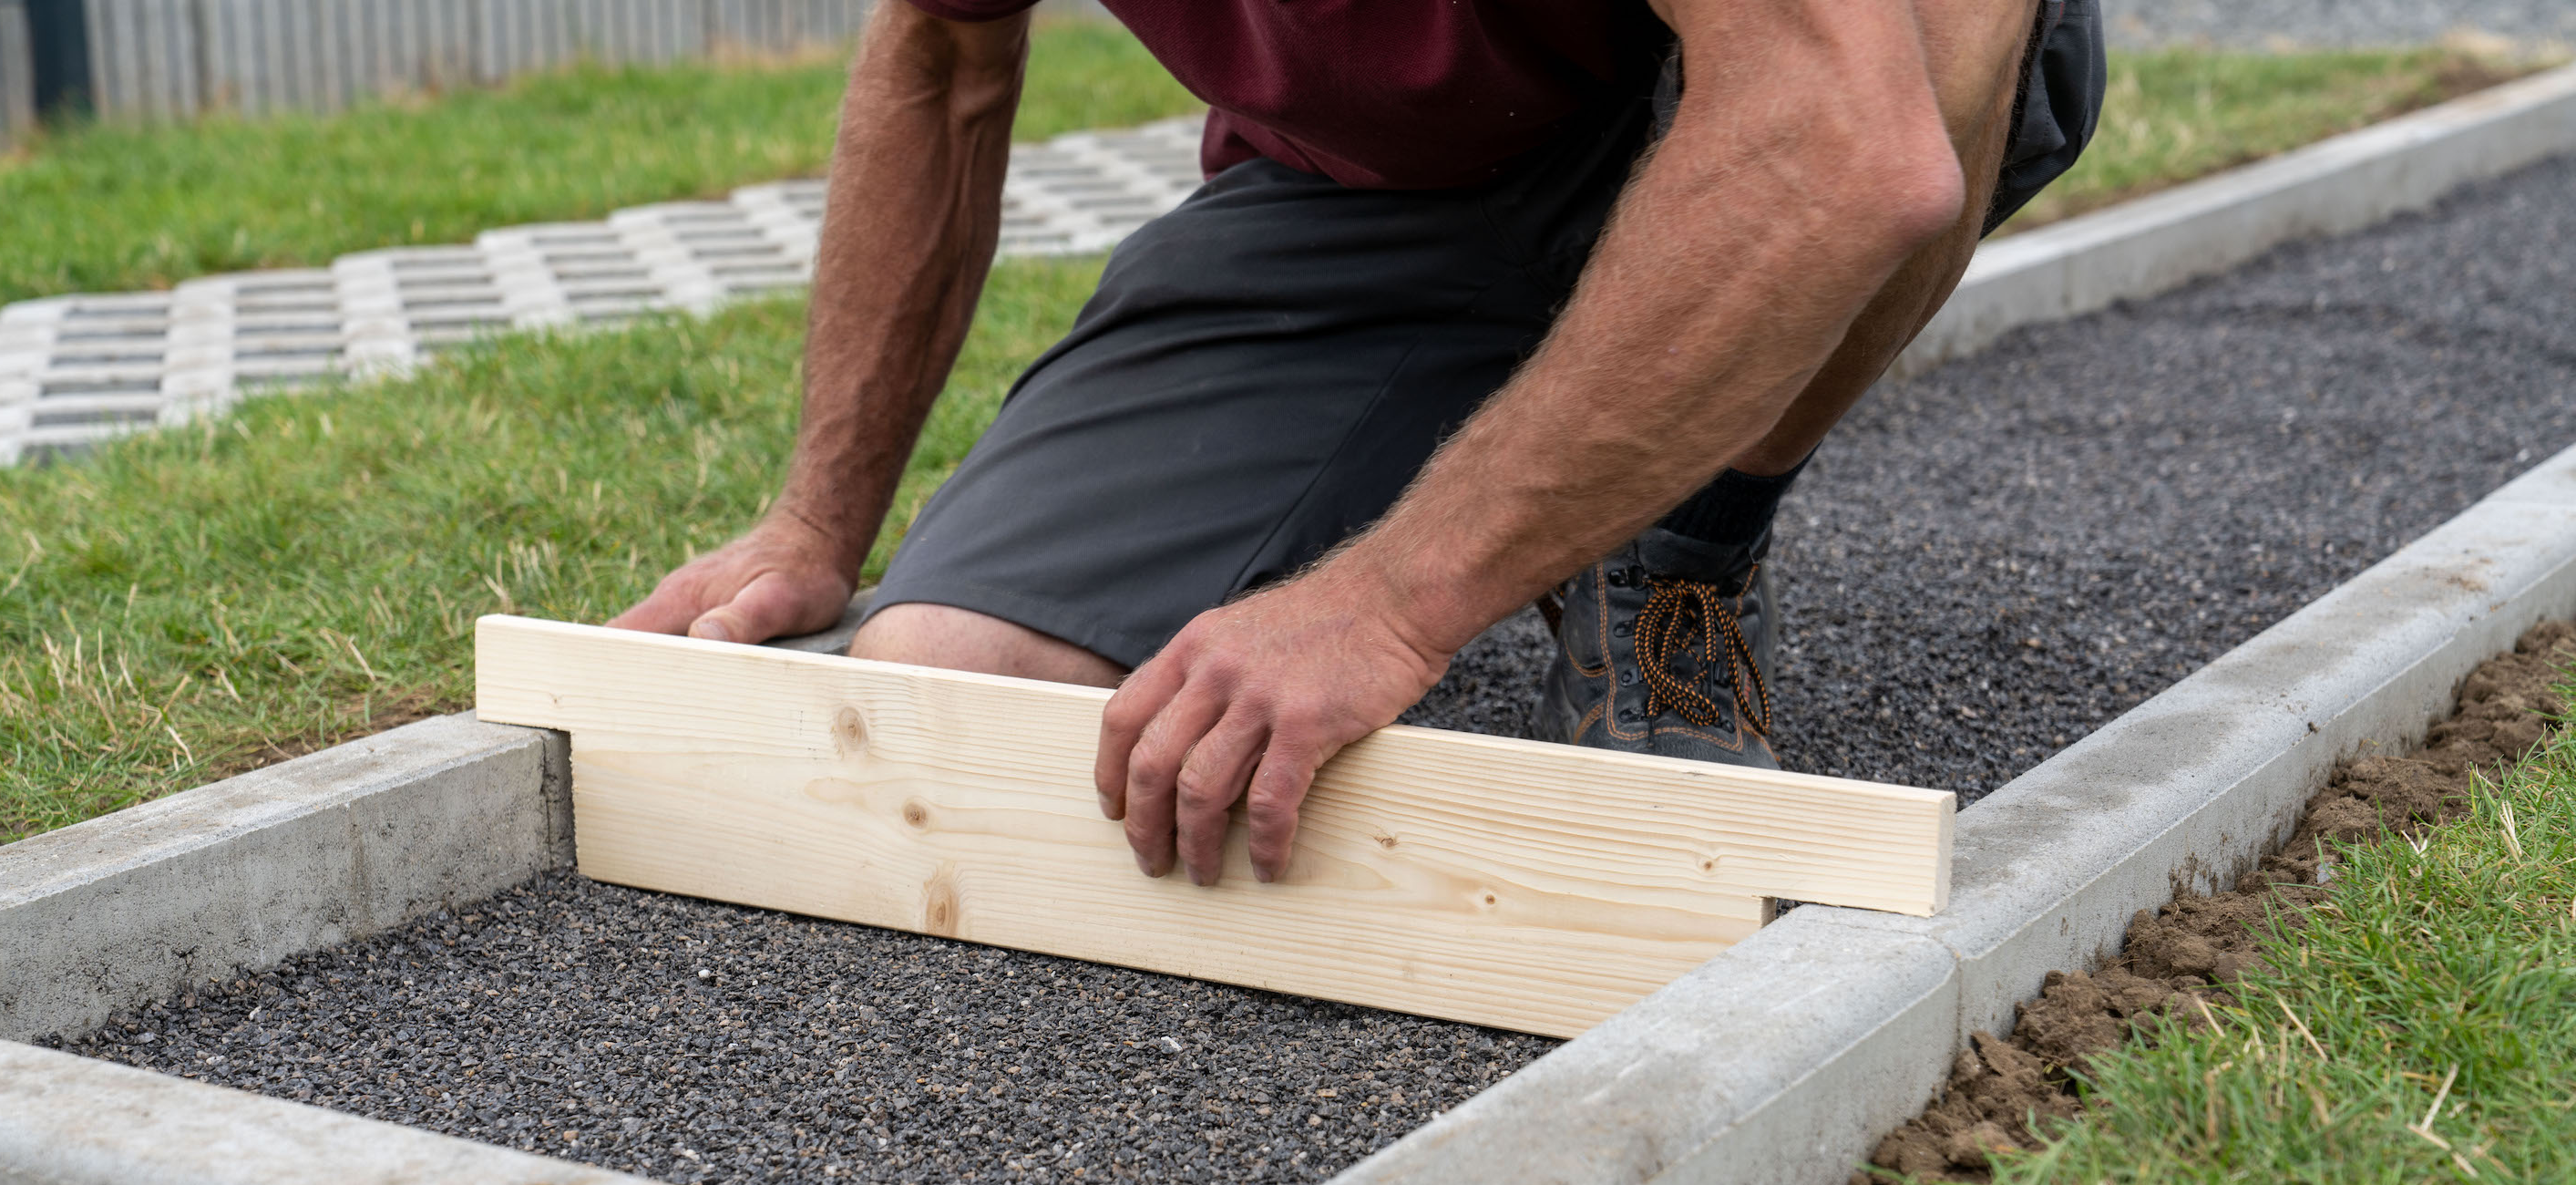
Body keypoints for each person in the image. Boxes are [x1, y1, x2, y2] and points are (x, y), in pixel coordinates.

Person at [612, 0, 2101, 887]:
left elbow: (1844, 145)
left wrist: (1385, 605)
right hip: (1385, 195)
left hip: (1777, 80)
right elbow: (941, 58)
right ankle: (1530, 408)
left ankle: (1682, 550)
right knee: (943, 677)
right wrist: (816, 520)